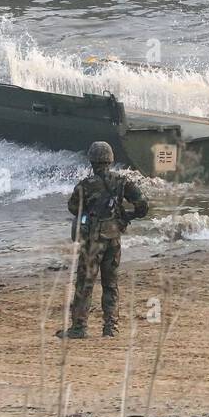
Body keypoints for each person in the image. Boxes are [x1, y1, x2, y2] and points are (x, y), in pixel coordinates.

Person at [58, 141, 149, 339]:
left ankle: (79, 328)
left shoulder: (85, 185)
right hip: (114, 238)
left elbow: (73, 208)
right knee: (111, 283)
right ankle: (111, 327)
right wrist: (126, 217)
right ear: (110, 160)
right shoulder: (123, 182)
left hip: (92, 242)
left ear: (91, 161)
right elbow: (143, 206)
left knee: (85, 283)